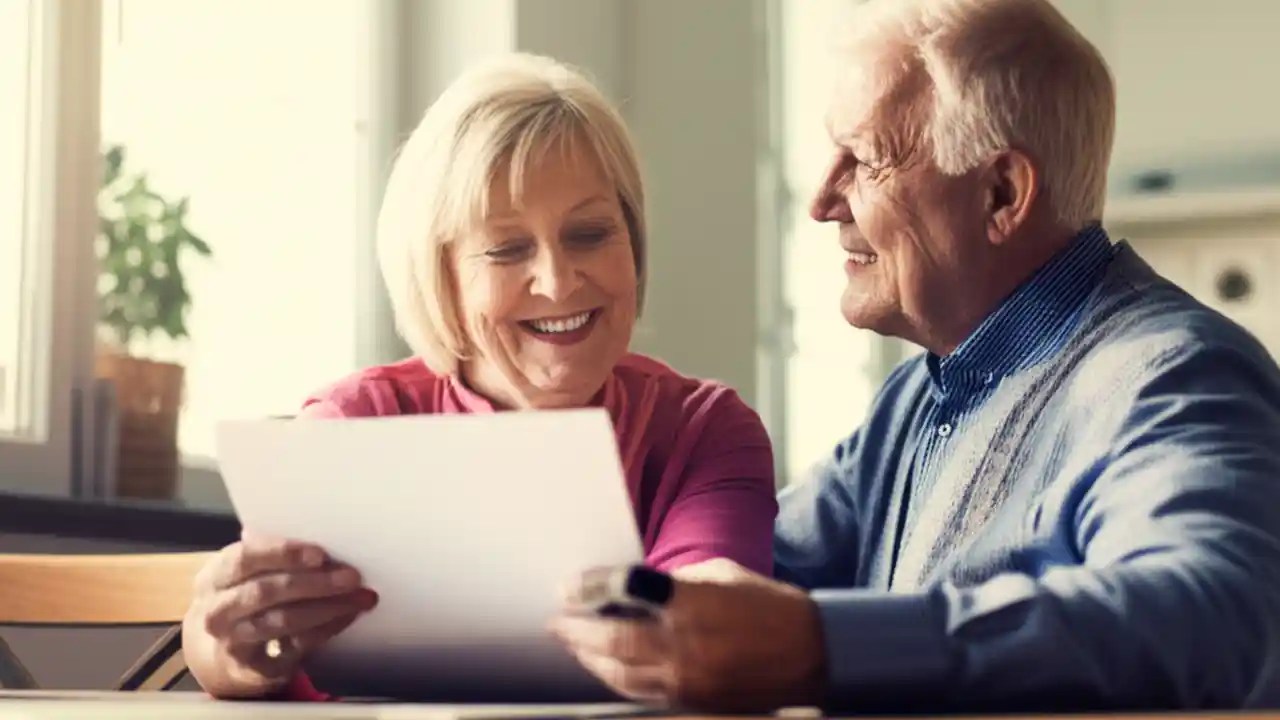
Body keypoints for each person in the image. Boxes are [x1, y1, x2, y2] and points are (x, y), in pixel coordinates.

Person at [549, 0, 1280, 712]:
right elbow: (741, 574)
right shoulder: (914, 403)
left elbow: (1208, 614)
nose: (821, 200)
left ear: (1002, 193)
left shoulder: (1177, 376)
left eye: (862, 161)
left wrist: (818, 649)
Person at [181, 52, 778, 701]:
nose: (557, 280)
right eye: (507, 248)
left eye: (588, 234)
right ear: (441, 276)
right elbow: (237, 648)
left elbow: (712, 627)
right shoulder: (353, 425)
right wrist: (232, 646)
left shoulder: (707, 430)